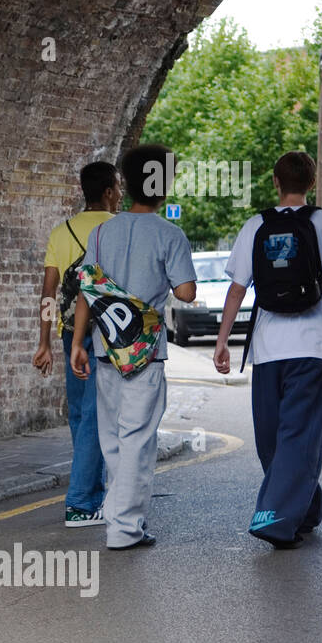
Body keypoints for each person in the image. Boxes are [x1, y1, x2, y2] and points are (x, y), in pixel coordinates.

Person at [212, 151, 322, 549]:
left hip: (266, 350)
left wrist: (223, 340)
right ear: (311, 184)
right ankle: (303, 510)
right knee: (297, 436)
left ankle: (276, 519)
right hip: (313, 349)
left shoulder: (255, 225)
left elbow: (237, 289)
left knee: (273, 439)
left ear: (275, 183)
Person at [70, 144, 197, 550]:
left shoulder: (102, 231)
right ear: (164, 186)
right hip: (145, 351)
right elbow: (187, 291)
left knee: (112, 436)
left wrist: (77, 343)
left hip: (105, 346)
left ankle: (118, 514)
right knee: (139, 437)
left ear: (125, 183)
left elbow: (87, 289)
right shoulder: (170, 234)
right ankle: (124, 528)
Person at [33, 161, 118, 527]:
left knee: (82, 415)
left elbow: (49, 292)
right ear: (109, 191)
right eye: (118, 187)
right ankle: (81, 502)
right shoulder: (117, 228)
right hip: (109, 333)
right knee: (96, 417)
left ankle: (91, 495)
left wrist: (44, 343)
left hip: (71, 333)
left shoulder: (61, 232)